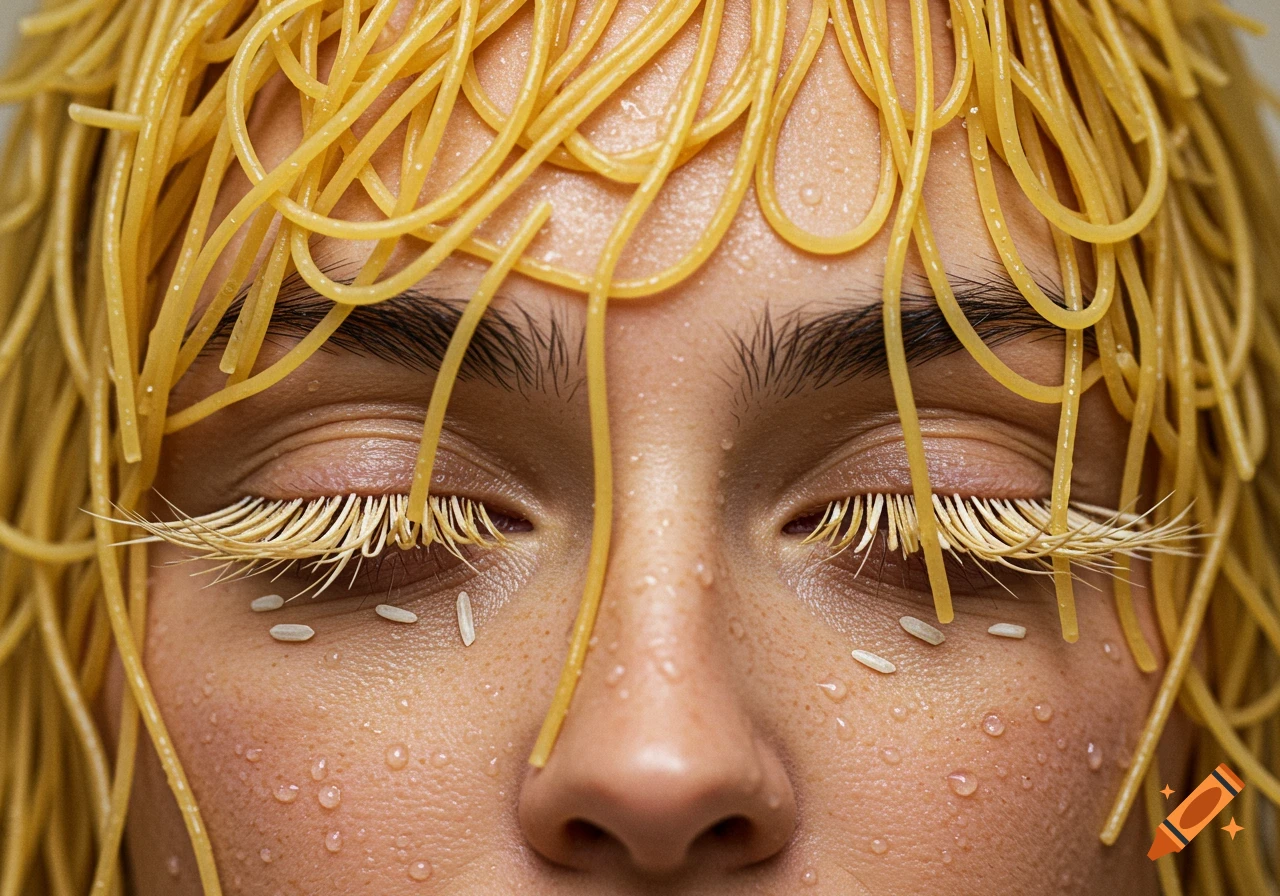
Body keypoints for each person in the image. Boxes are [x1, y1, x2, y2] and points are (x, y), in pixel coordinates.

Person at [0, 0, 1277, 892]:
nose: (657, 760)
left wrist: (1210, 830)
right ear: (71, 677)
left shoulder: (1200, 789)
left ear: (1210, 709)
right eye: (370, 518)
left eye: (934, 520)